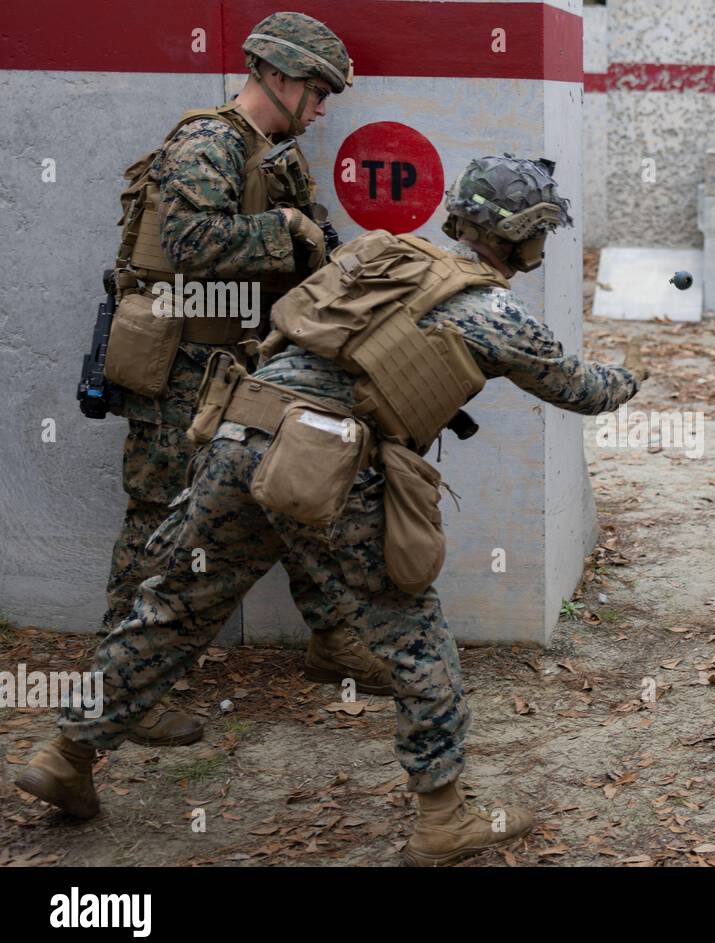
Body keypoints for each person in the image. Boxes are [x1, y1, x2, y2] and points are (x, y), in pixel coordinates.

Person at [20, 155, 649, 866]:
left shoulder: (380, 253)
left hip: (239, 431)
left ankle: (67, 754)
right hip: (323, 460)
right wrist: (636, 373)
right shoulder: (496, 312)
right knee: (412, 632)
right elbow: (583, 391)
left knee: (175, 605)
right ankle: (443, 816)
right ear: (527, 238)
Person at [102, 11, 388, 749]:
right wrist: (285, 229)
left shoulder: (272, 155)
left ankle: (333, 640)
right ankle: (121, 691)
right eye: (319, 91)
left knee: (297, 495)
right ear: (280, 77)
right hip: (179, 367)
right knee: (156, 520)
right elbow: (193, 243)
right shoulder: (207, 142)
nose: (323, 108)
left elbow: (315, 241)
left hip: (246, 361)